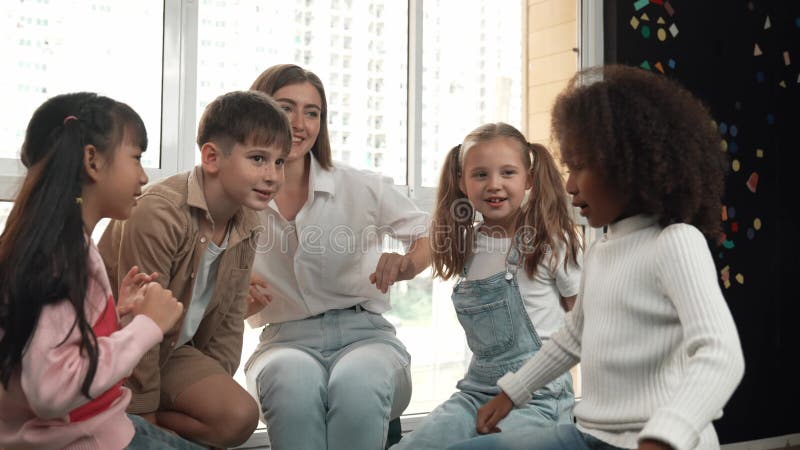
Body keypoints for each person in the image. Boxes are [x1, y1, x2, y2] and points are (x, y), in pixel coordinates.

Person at [448, 65, 746, 450]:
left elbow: (721, 353)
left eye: (580, 168)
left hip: (663, 440)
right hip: (589, 435)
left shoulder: (676, 243)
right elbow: (574, 336)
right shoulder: (603, 251)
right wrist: (511, 394)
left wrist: (666, 434)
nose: (569, 186)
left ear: (629, 166)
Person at [243, 64, 430, 450]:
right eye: (285, 108)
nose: (299, 123)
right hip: (283, 341)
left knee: (358, 384)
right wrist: (236, 300)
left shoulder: (359, 185)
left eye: (312, 112)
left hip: (367, 338)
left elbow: (432, 234)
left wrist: (406, 263)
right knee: (290, 383)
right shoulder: (237, 196)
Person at [0, 92, 201, 450]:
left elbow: (51, 346)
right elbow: (51, 388)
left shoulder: (50, 240)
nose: (143, 177)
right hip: (86, 438)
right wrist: (147, 326)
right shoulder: (61, 255)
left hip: (100, 425)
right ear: (92, 160)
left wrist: (114, 321)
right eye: (136, 158)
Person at [98, 90, 292, 448]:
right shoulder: (159, 212)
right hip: (122, 349)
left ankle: (135, 422)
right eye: (258, 159)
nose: (272, 175)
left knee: (240, 416)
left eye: (280, 162)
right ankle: (128, 415)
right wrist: (145, 415)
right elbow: (140, 321)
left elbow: (231, 320)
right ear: (212, 157)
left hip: (173, 350)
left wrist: (215, 379)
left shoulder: (249, 220)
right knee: (146, 426)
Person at [390, 123, 581, 450]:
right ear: (462, 183)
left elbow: (581, 323)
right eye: (480, 175)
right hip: (477, 391)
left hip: (541, 395)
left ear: (529, 179)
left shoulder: (551, 243)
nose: (495, 185)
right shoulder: (466, 244)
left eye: (508, 173)